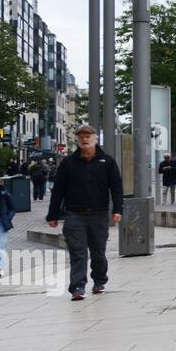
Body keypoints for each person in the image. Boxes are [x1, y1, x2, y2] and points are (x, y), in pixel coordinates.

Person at [46, 124, 123, 301]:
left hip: (99, 214)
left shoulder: (107, 161)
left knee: (98, 252)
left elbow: (116, 187)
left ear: (95, 138)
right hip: (74, 214)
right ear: (77, 140)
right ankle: (78, 287)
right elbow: (58, 190)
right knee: (78, 252)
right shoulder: (68, 163)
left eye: (88, 136)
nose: (84, 139)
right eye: (81, 136)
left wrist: (118, 209)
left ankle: (99, 280)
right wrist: (52, 215)